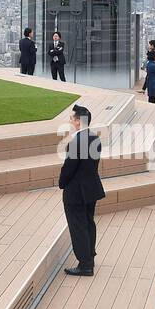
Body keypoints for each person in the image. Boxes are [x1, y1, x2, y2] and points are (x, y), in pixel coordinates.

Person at [59, 105, 105, 277]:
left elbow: (68, 170)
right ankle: (89, 257)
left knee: (78, 227)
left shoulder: (76, 142)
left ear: (78, 122)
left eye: (72, 119)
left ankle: (85, 264)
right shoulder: (94, 138)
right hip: (91, 189)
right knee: (88, 223)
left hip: (76, 192)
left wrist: (62, 184)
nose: (70, 121)